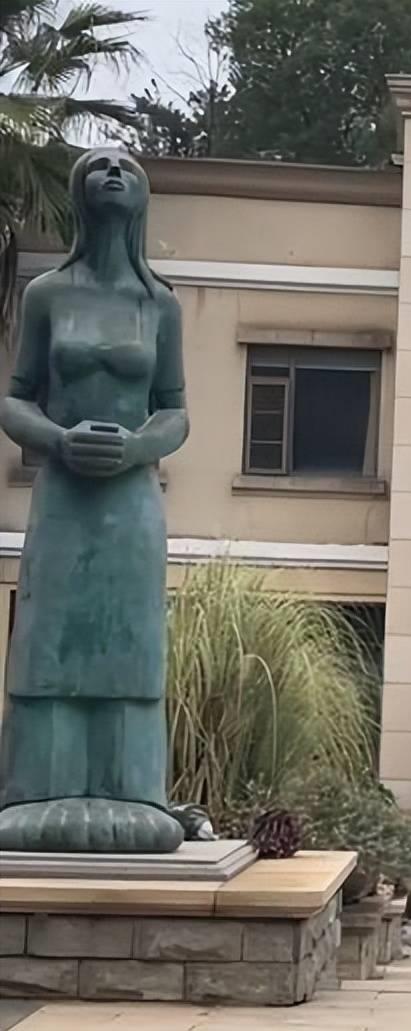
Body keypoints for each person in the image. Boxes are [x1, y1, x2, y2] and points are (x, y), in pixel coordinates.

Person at [0, 149, 189, 852]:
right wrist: (57, 438)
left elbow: (175, 410)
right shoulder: (47, 294)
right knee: (50, 637)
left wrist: (137, 448)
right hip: (63, 495)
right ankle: (36, 791)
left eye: (126, 167)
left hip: (131, 501)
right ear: (81, 193)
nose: (113, 172)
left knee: (129, 642)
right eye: (99, 165)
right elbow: (15, 398)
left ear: (143, 194)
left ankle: (132, 793)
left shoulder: (159, 304)